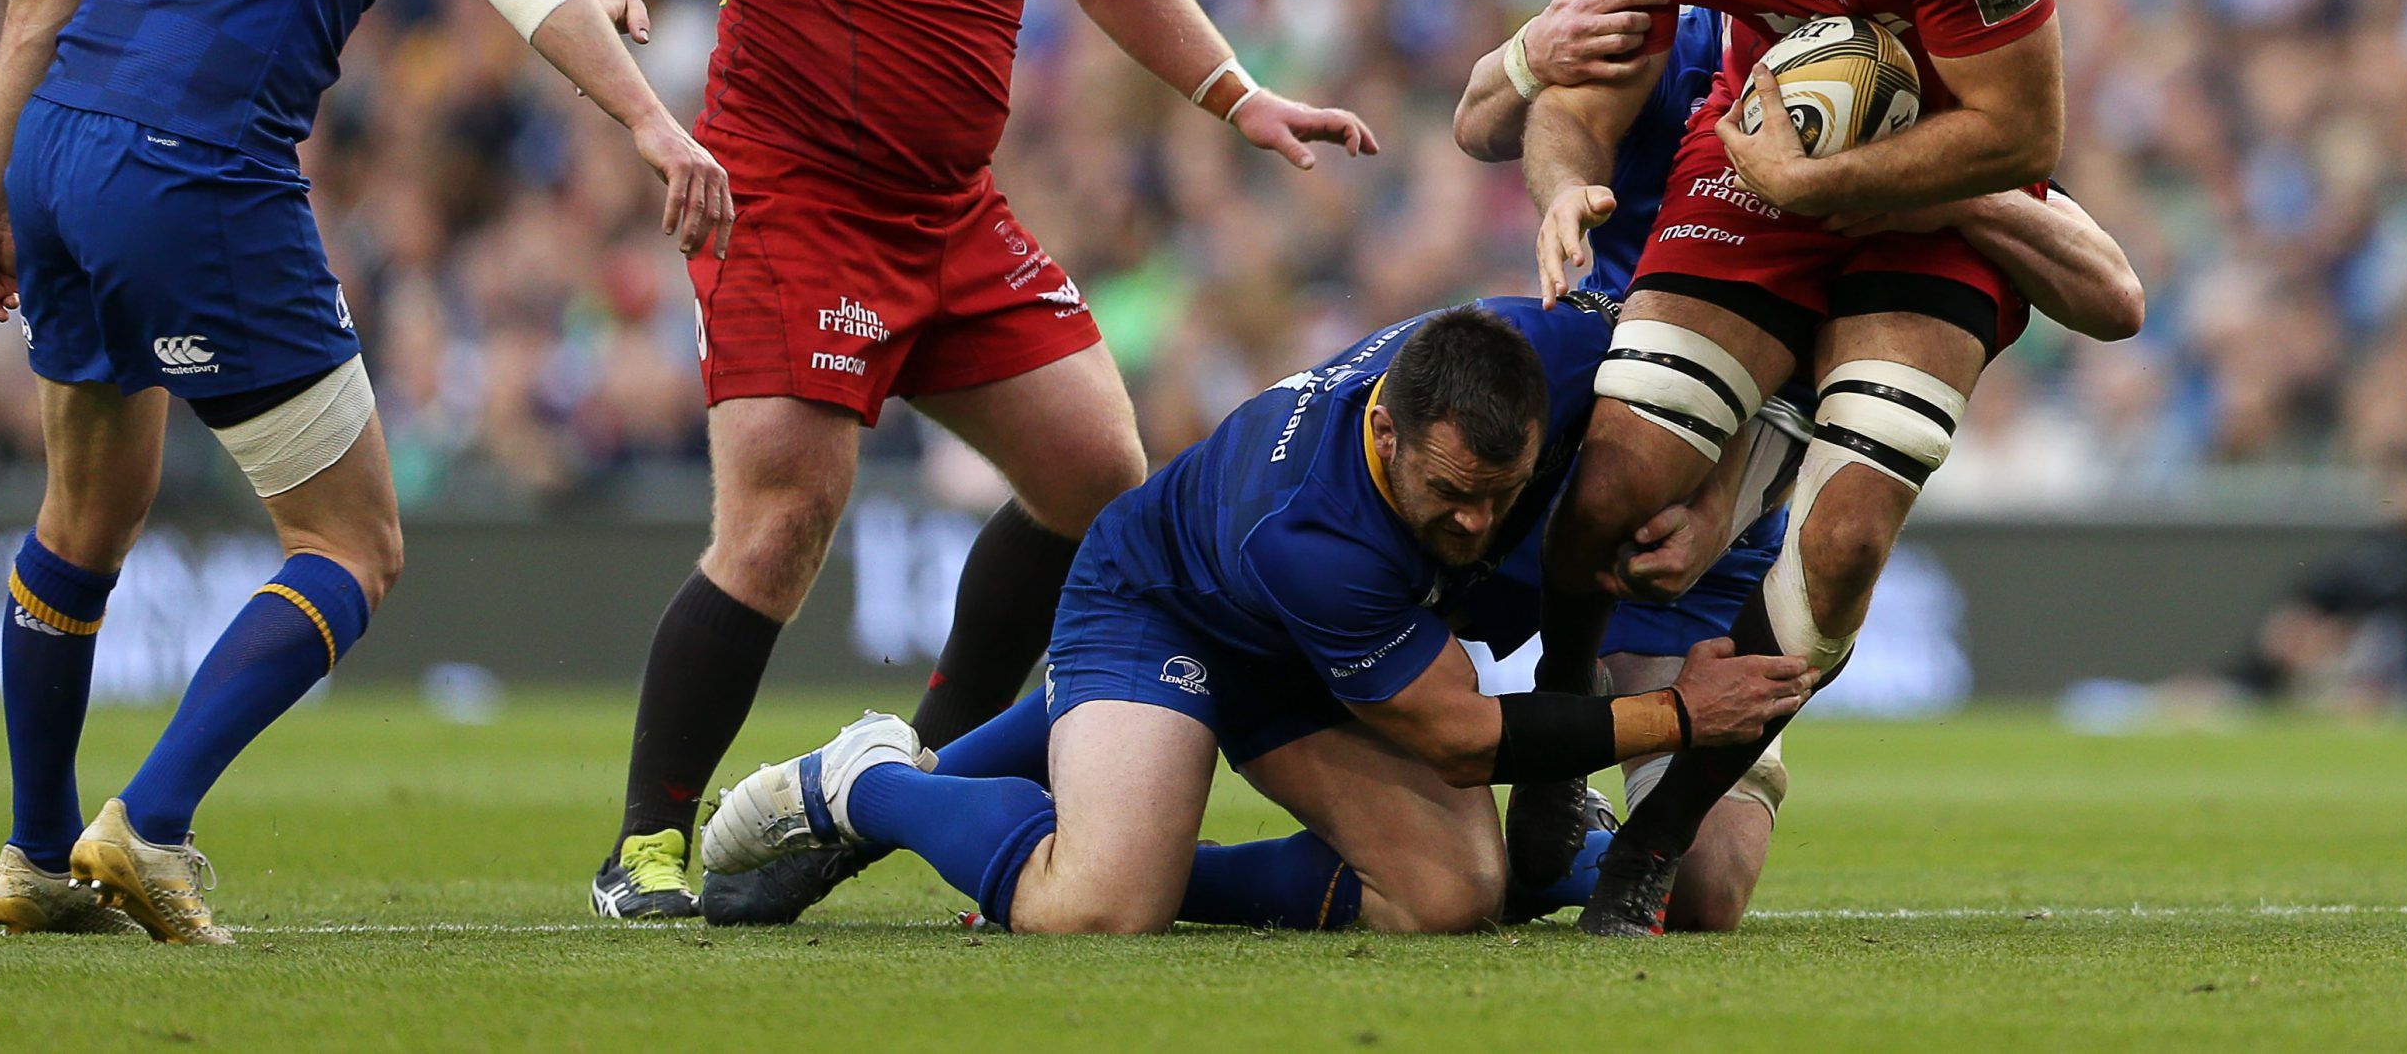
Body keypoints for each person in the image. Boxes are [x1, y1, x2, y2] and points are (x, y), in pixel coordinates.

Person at [556, 0, 1377, 920]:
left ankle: (920, 772)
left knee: (1104, 492)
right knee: (781, 523)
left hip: (952, 209)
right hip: (796, 200)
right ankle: (647, 844)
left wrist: (1235, 95)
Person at [0, 0, 733, 945]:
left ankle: (35, 851)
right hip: (196, 165)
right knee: (353, 542)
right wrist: (647, 122)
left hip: (61, 145)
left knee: (85, 518)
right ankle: (153, 827)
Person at [1515, 0, 2073, 935]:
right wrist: (1560, 185)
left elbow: (2020, 126)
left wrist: (1818, 183)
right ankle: (1553, 755)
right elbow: (1578, 83)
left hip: (1940, 178)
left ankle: (1656, 833)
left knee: (1844, 546)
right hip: (1762, 152)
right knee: (1610, 481)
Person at [700, 303, 1814, 935]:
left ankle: (1080, 782)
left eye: (1501, 491)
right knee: (1098, 907)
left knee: (1450, 895)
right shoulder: (1314, 532)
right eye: (1449, 497)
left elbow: (1744, 383)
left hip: (1300, 640)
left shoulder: (1566, 361)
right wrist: (1675, 712)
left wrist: (1716, 512)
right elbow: (1463, 737)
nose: (1477, 522)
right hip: (1164, 603)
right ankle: (866, 783)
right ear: (1382, 432)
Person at [1456, 0, 2139, 929]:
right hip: (1581, 421)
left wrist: (1723, 512)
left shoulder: (1895, 92)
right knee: (1422, 817)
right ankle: (1539, 761)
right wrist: (1530, 50)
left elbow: (2110, 294)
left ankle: (1599, 831)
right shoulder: (1676, 31)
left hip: (1730, 479)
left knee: (1707, 897)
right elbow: (1482, 118)